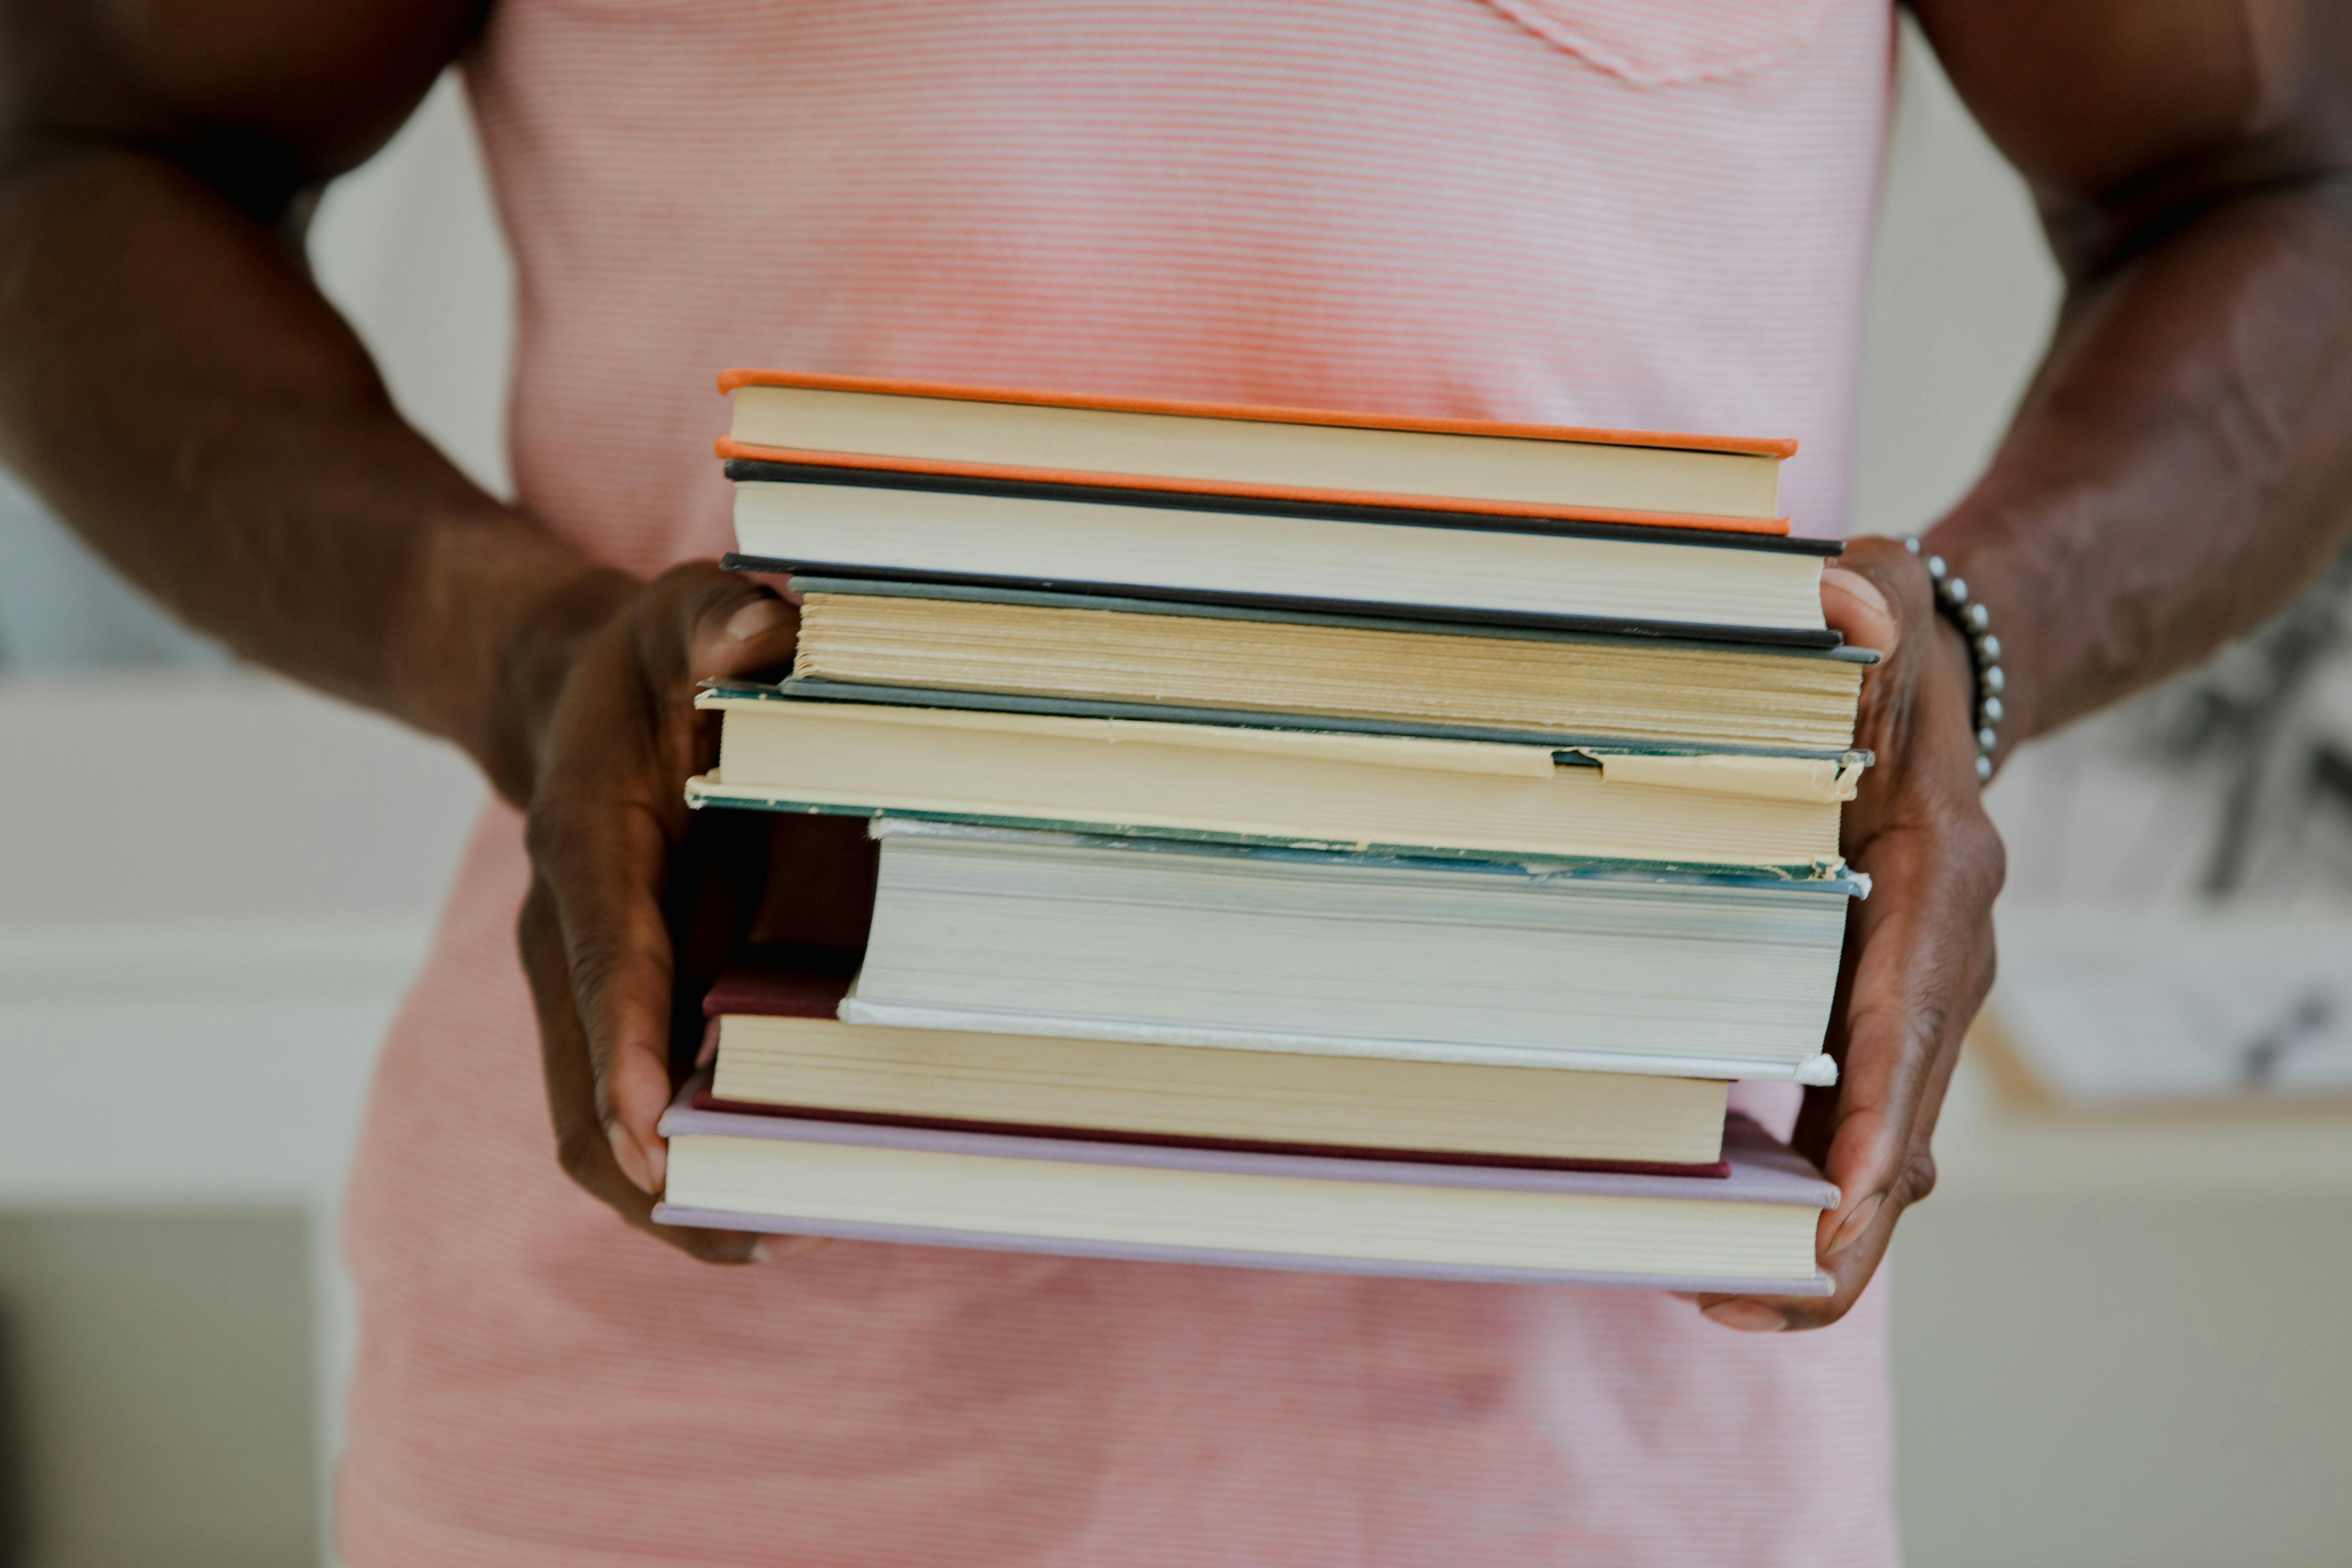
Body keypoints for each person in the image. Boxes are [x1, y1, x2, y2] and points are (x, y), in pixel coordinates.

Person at [2, 1, 2347, 1561]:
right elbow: (81, 152)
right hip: (670, 1453)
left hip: (1597, 1472)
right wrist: (509, 651)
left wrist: (1963, 637)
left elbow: (2275, 189)